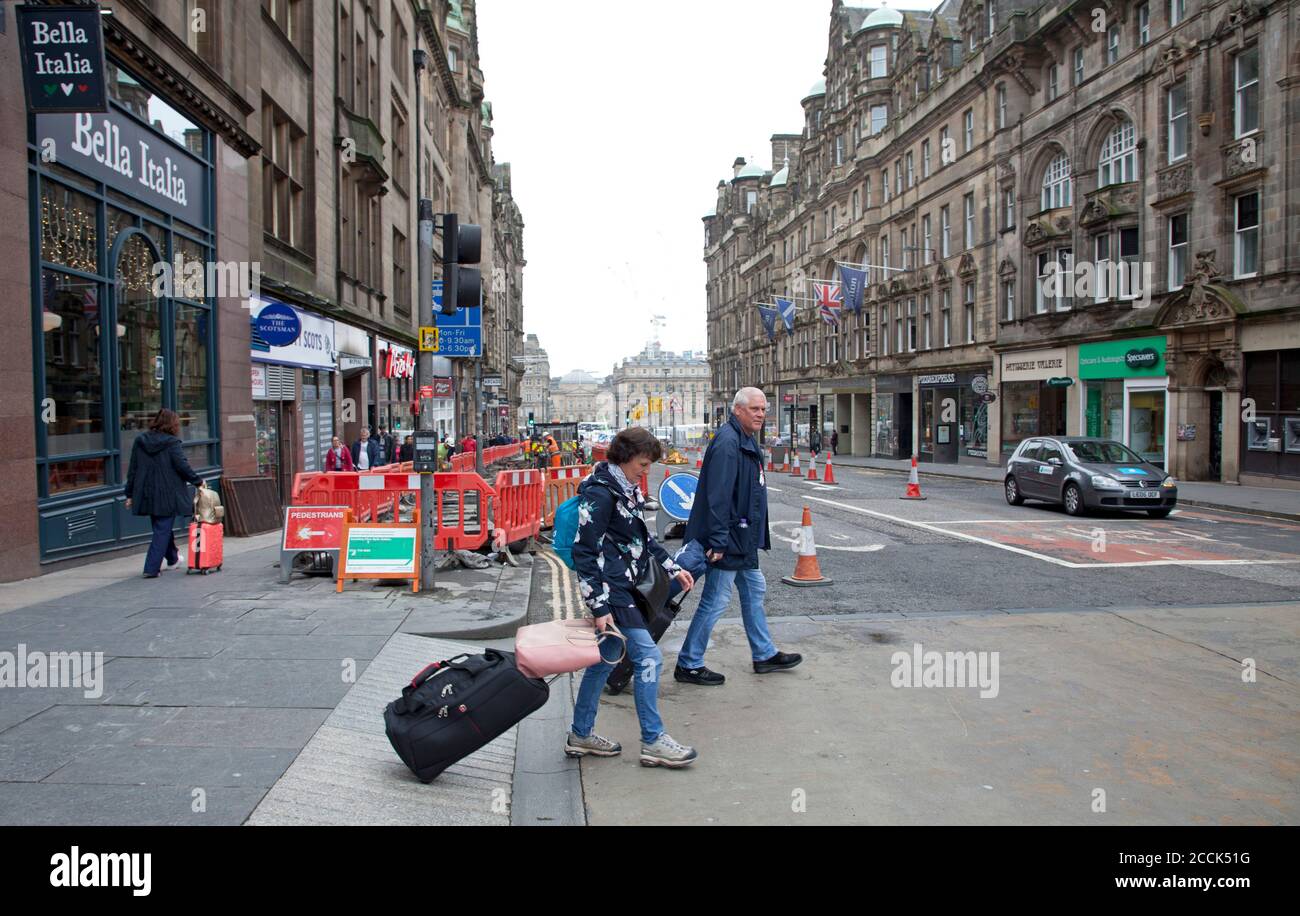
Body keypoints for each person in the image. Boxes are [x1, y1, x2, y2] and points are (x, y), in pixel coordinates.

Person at [567, 426, 698, 768]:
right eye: (642, 463)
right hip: (613, 593)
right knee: (650, 659)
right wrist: (598, 605)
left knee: (605, 659)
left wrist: (672, 567)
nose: (647, 470)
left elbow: (642, 539)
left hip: (625, 587)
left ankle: (580, 733)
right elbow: (583, 551)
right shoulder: (601, 494)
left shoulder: (625, 488)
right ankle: (653, 740)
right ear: (624, 458)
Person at [676, 387, 802, 685]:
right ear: (737, 410)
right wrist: (719, 541)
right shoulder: (728, 443)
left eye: (763, 409)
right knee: (716, 600)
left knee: (754, 590)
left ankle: (764, 653)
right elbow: (717, 497)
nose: (761, 414)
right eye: (754, 409)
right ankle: (689, 663)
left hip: (742, 537)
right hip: (729, 538)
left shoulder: (744, 439)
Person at [123, 408, 207, 579]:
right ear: (173, 424)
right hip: (167, 493)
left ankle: (173, 558)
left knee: (161, 527)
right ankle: (151, 567)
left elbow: (133, 469)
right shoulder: (172, 443)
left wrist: (129, 494)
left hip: (146, 492)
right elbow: (182, 466)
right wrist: (198, 481)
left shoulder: (140, 441)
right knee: (162, 529)